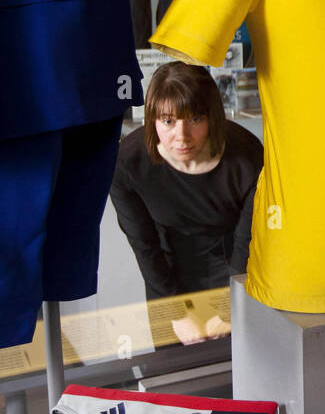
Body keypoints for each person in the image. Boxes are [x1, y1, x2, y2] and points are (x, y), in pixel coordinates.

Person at [110, 61, 263, 302]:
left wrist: (231, 305)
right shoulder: (128, 164)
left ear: (212, 118)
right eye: (168, 121)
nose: (182, 137)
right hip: (166, 271)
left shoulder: (247, 157)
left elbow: (248, 242)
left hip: (236, 264)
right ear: (152, 120)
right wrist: (175, 312)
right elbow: (145, 246)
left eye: (195, 119)